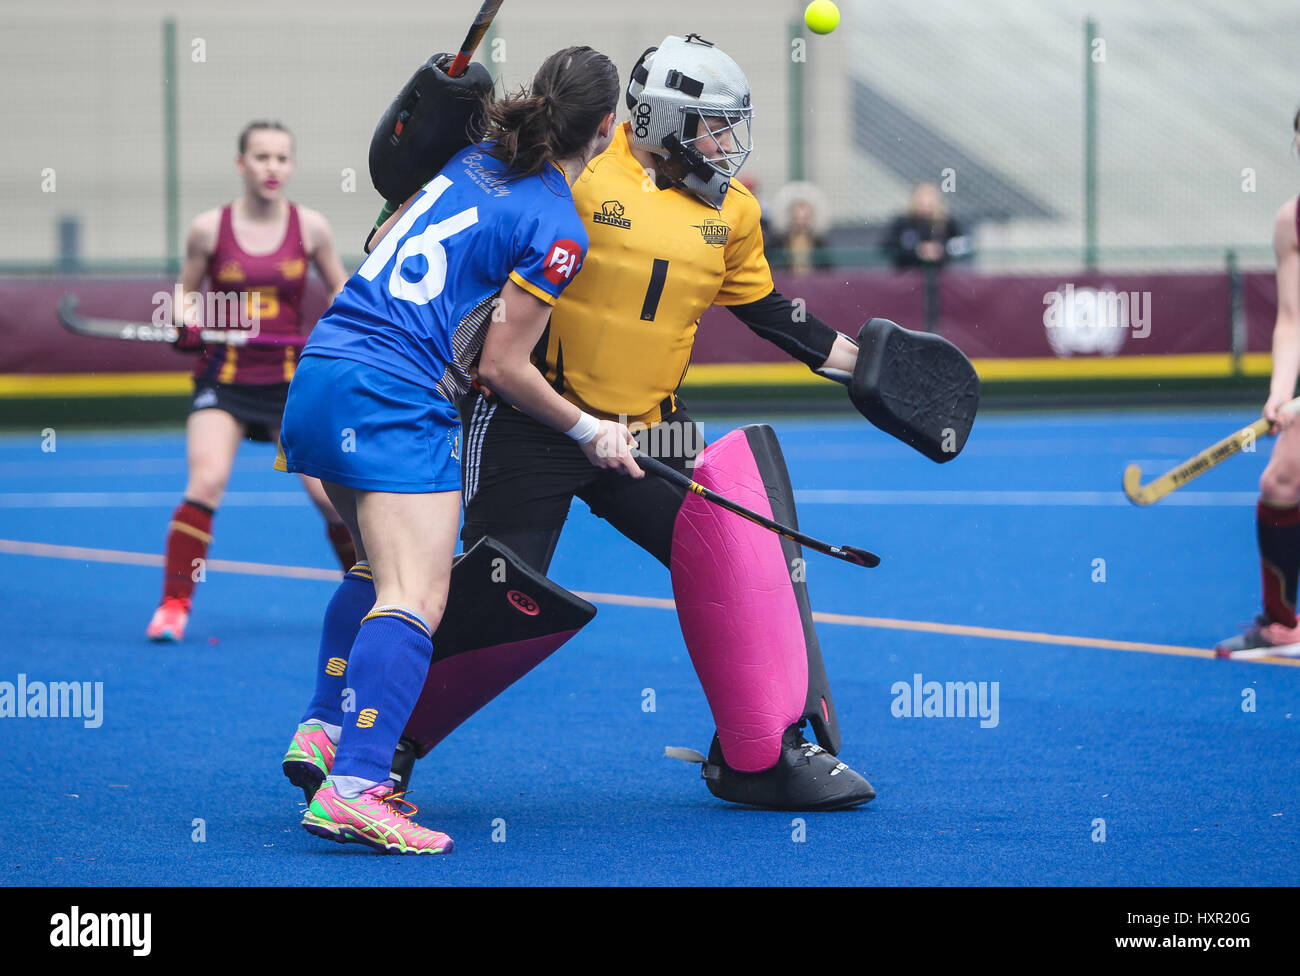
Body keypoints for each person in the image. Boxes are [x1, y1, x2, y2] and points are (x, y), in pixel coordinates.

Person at [407, 33, 878, 810]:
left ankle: (759, 754)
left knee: (747, 568)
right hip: (535, 420)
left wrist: (869, 370)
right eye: (710, 126)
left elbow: (772, 314)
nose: (725, 144)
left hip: (655, 428)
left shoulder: (733, 213)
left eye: (731, 126)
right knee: (498, 590)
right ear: (658, 120)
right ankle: (375, 748)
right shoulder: (581, 171)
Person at [277, 47, 628, 854]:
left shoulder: (470, 158)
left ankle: (327, 729)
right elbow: (504, 367)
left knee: (374, 569)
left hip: (324, 375)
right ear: (605, 130)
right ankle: (359, 788)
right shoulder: (558, 229)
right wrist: (588, 428)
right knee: (416, 596)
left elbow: (389, 230)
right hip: (395, 395)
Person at [146, 121, 352, 643]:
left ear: (292, 166)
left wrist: (335, 329)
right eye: (261, 158)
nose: (272, 168)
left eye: (282, 158)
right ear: (241, 164)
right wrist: (186, 322)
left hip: (289, 384)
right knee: (207, 480)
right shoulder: (208, 230)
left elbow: (343, 292)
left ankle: (369, 605)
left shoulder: (311, 228)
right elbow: (185, 294)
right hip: (226, 380)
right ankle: (174, 605)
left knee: (332, 500)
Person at [1216, 109, 1300, 655]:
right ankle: (1282, 625)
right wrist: (1279, 390)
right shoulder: (1292, 221)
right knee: (1281, 485)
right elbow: (1293, 317)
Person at [883, 180, 970, 269]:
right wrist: (917, 251)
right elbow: (889, 247)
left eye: (930, 200)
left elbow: (963, 245)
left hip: (941, 276)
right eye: (922, 199)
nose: (926, 204)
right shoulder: (903, 223)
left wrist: (942, 250)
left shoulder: (948, 223)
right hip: (908, 276)